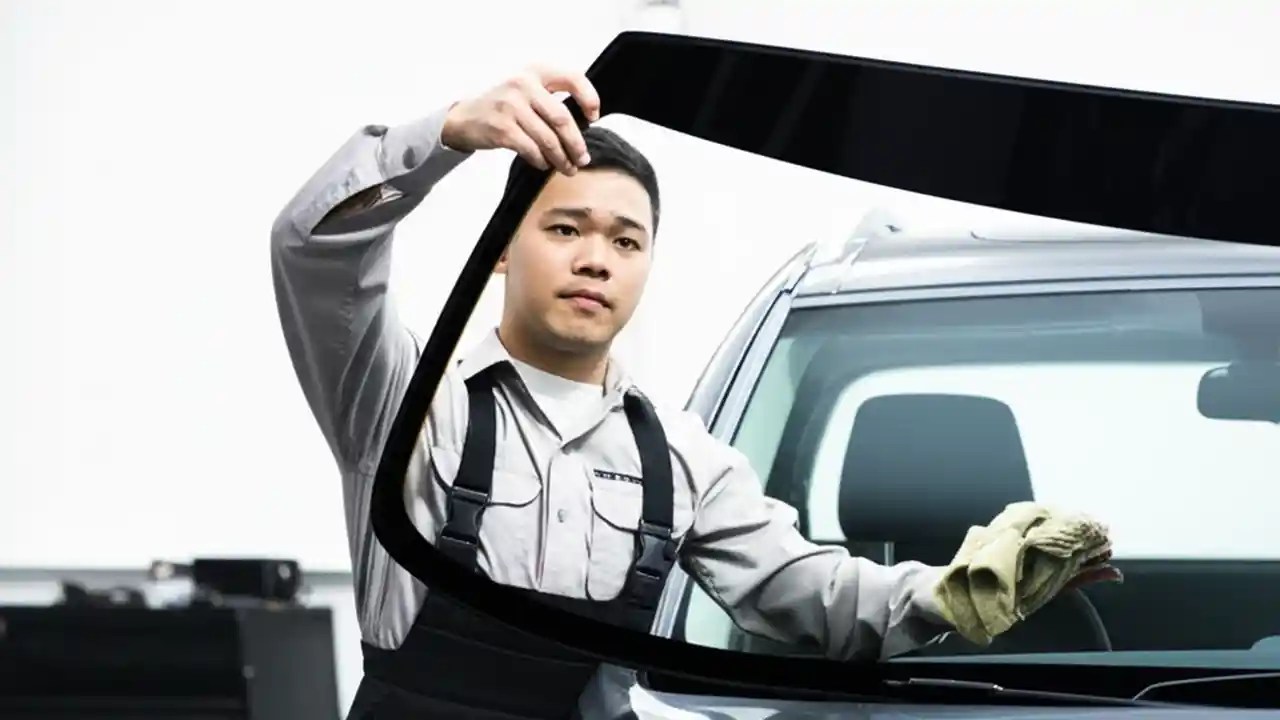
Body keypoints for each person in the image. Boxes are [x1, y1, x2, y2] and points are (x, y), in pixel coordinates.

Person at [269, 65, 1081, 720]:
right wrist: (447, 135)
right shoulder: (401, 405)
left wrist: (953, 593)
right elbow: (315, 249)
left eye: (626, 240)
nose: (596, 259)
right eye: (565, 229)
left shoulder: (683, 460)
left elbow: (814, 598)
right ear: (501, 254)